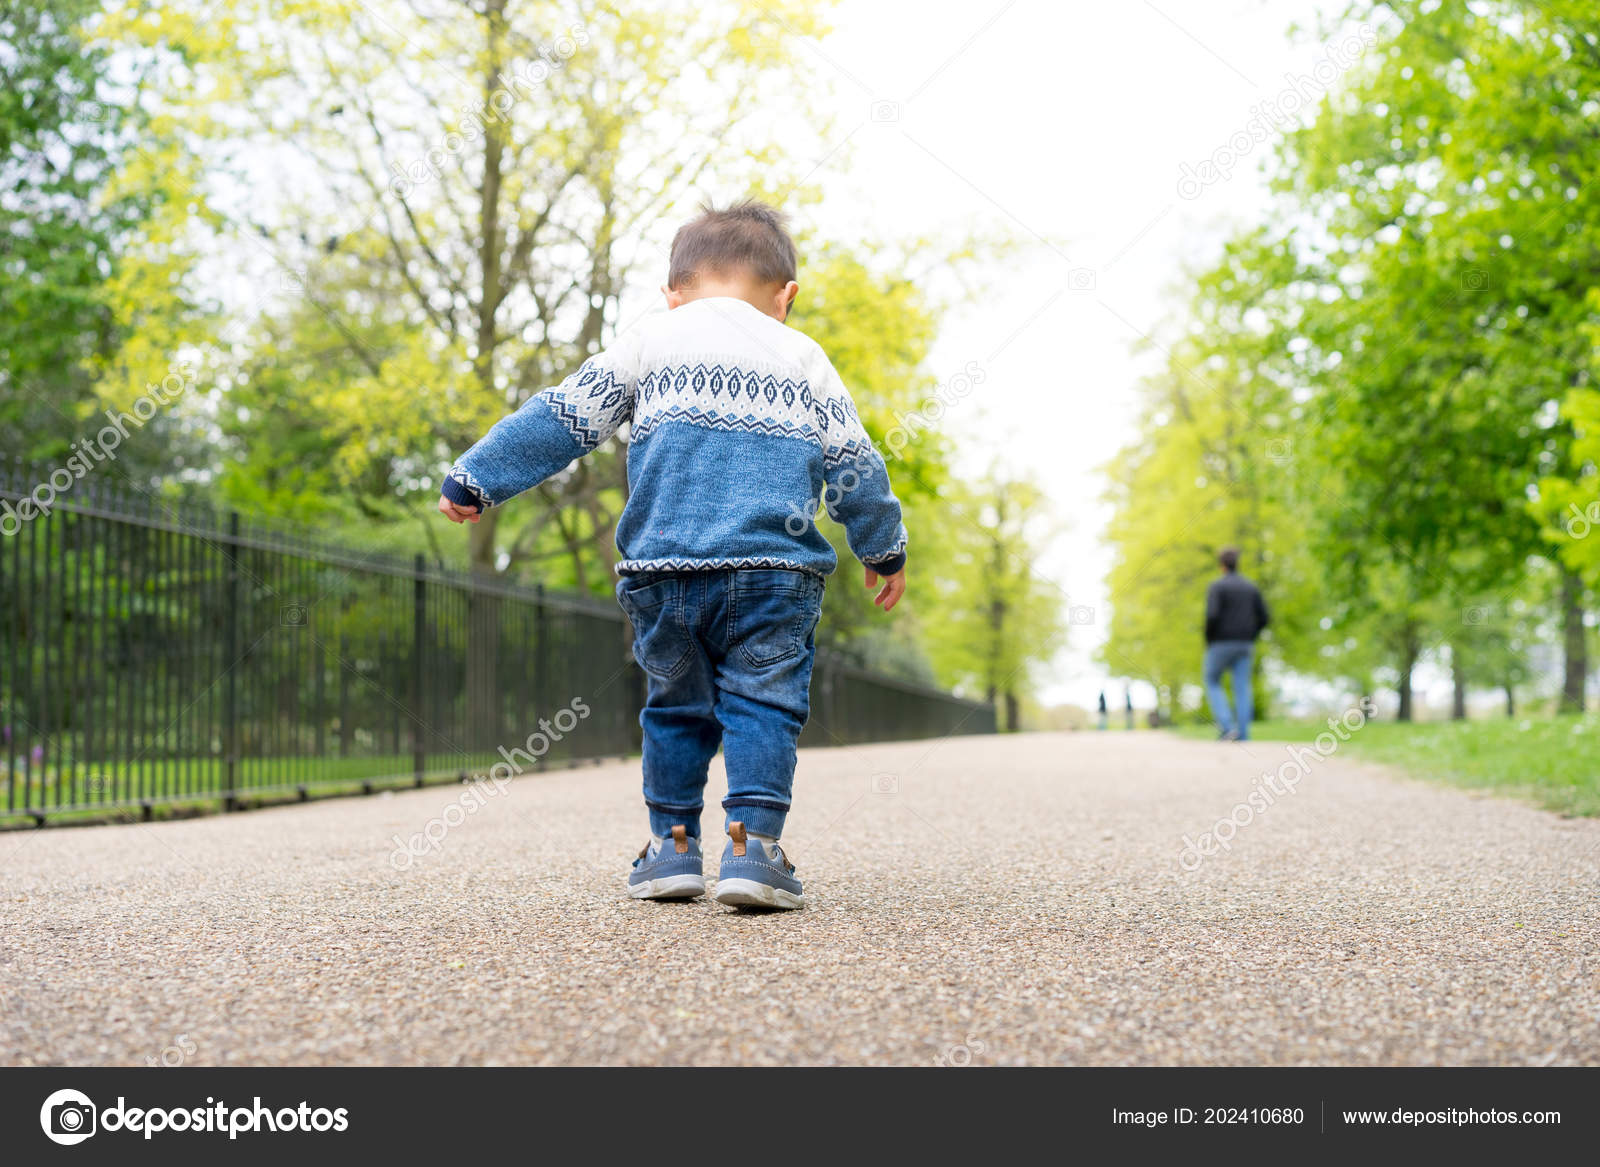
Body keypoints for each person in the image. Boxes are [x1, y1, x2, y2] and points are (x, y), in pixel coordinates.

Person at [437, 201, 908, 911]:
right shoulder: (803, 355)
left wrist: (479, 475)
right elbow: (855, 464)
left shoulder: (650, 339)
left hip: (664, 573)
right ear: (786, 296)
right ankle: (753, 848)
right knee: (765, 703)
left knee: (675, 704)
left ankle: (672, 846)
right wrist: (883, 546)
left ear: (674, 290)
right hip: (774, 573)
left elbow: (564, 417)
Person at [1203, 546, 1269, 741]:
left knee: (1212, 680)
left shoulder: (1217, 586)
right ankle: (1243, 734)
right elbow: (1264, 617)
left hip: (1220, 643)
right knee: (1242, 687)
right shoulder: (1251, 587)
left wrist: (1209, 639)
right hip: (1245, 644)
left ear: (1222, 565)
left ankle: (1227, 727)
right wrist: (1252, 635)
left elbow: (1212, 615)